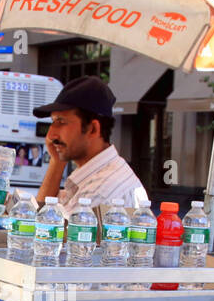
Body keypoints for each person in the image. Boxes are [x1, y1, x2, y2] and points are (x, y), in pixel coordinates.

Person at [35, 76, 148, 209]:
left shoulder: (100, 191)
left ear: (93, 129)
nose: (51, 135)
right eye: (52, 121)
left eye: (61, 122)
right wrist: (57, 162)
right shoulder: (98, 175)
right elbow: (42, 215)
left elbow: (40, 227)